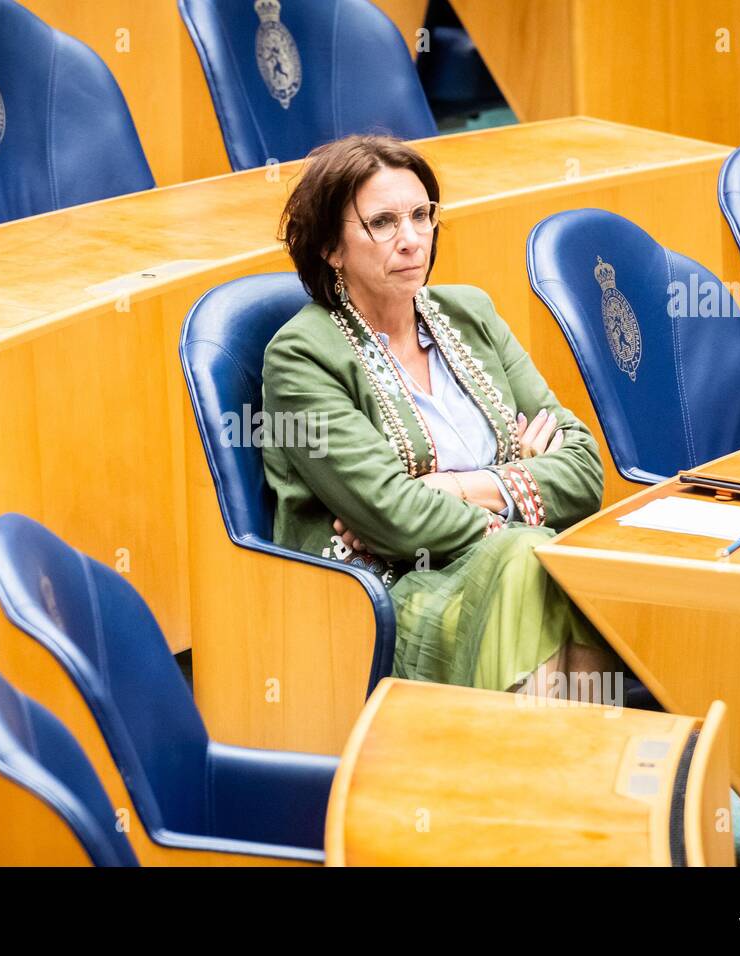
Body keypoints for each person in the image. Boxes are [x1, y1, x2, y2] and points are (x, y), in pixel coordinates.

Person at [263, 134, 618, 700]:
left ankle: (541, 773)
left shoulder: (470, 313)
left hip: (506, 567)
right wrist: (518, 493)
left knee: (568, 569)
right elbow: (396, 517)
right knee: (536, 559)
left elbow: (583, 469)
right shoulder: (303, 356)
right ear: (331, 246)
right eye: (382, 223)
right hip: (388, 593)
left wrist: (453, 486)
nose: (411, 240)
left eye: (421, 215)